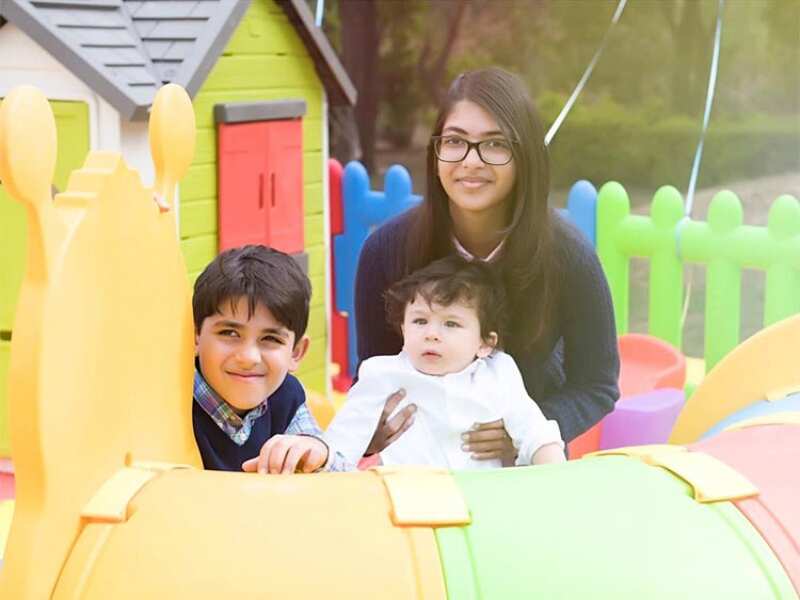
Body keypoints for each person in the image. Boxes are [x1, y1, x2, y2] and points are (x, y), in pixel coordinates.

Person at [355, 67, 620, 463]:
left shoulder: (569, 257)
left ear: (525, 154)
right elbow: (372, 371)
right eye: (455, 142)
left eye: (494, 144)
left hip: (529, 466)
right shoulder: (386, 250)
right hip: (421, 471)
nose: (471, 161)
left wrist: (527, 431)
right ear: (435, 151)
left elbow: (597, 383)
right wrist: (370, 431)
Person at [325, 256, 565, 469]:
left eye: (451, 324)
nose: (431, 334)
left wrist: (556, 474)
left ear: (485, 343)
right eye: (419, 321)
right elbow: (343, 438)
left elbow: (534, 431)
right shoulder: (382, 374)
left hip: (486, 497)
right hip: (408, 499)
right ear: (403, 328)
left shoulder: (499, 371)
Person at [192, 245, 347, 474]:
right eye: (229, 333)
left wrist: (318, 452)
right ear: (195, 336)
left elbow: (344, 479)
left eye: (270, 338)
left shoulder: (287, 396)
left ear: (296, 352)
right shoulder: (172, 403)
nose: (248, 358)